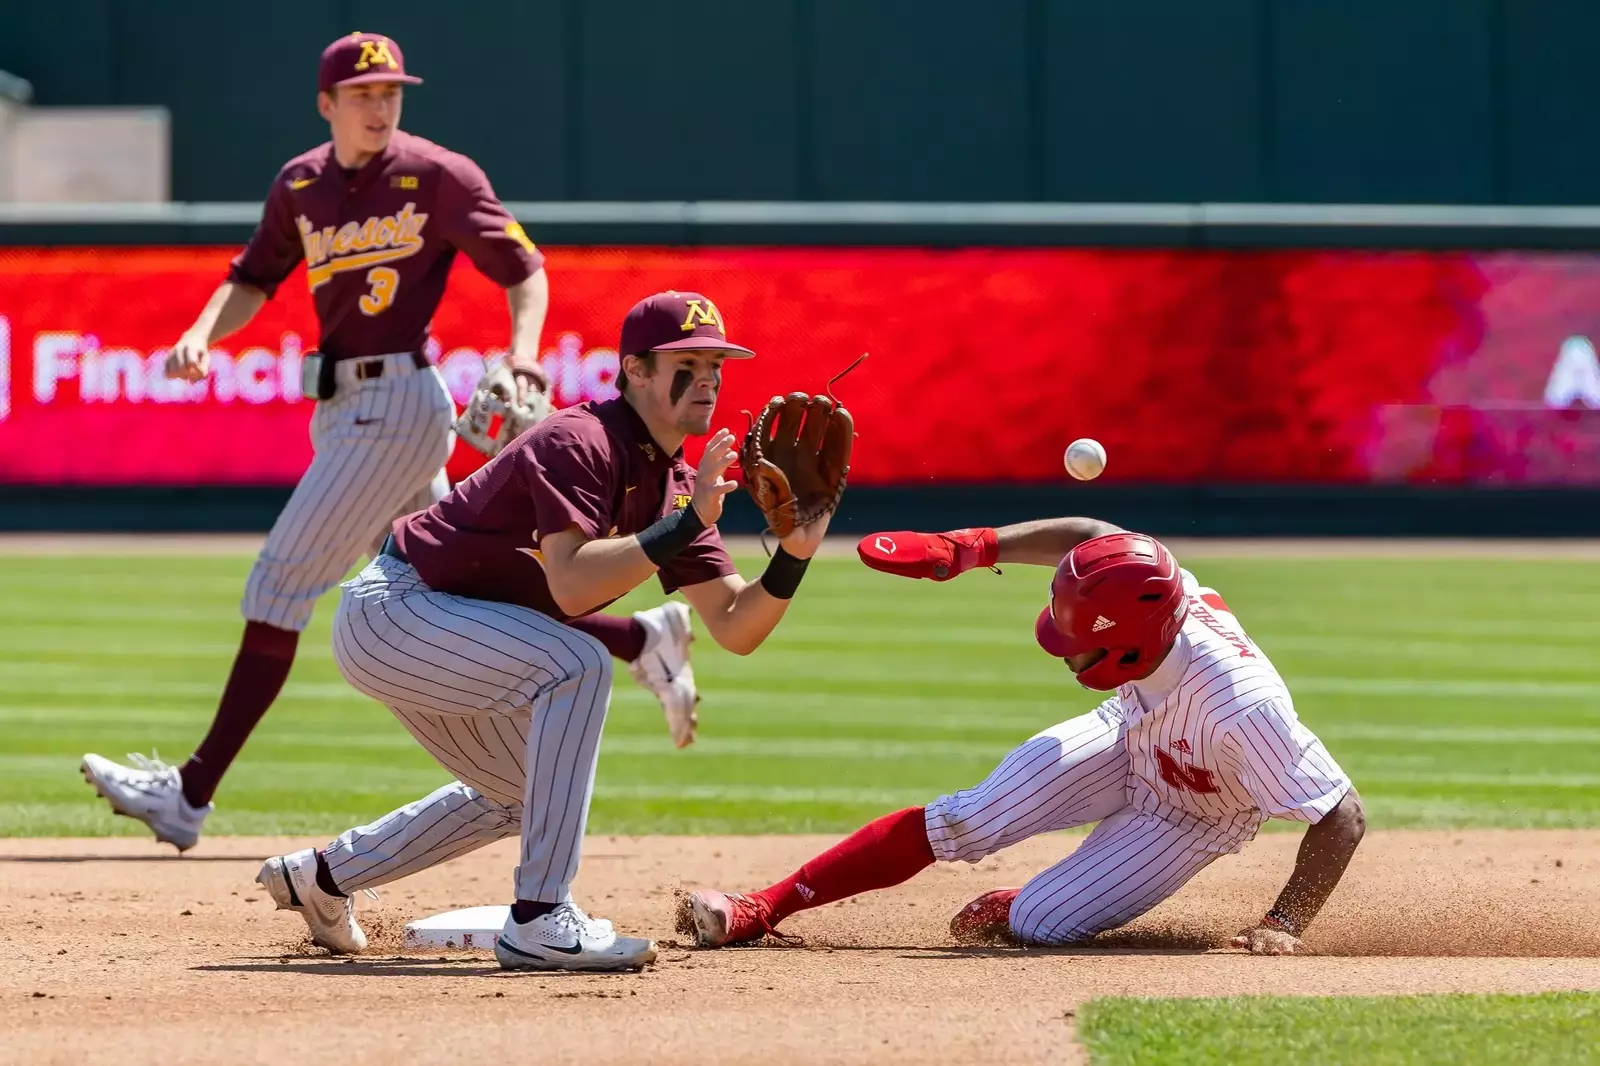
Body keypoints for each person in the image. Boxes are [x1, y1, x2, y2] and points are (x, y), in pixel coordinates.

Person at [80, 32, 697, 852]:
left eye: (392, 92)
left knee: (279, 586)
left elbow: (524, 270)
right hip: (341, 408)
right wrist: (201, 332)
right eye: (363, 93)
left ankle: (190, 794)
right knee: (457, 588)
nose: (380, 106)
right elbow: (255, 277)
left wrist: (520, 354)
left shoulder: (436, 175)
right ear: (326, 103)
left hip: (398, 403)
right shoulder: (300, 182)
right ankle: (641, 637)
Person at [254, 290, 840, 972]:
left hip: (442, 628)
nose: (708, 376)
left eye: (717, 362)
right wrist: (685, 523)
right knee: (580, 665)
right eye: (687, 361)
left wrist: (797, 550)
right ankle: (538, 917)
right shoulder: (582, 440)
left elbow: (737, 627)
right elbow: (570, 584)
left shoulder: (677, 484)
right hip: (394, 611)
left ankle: (322, 878)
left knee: (524, 795)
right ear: (636, 371)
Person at [681, 521, 1366, 956]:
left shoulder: (1242, 709)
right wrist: (971, 548)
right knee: (968, 817)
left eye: (1076, 644)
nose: (1062, 651)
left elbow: (1342, 813)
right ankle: (761, 907)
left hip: (1196, 807)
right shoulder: (1152, 581)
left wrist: (1285, 923)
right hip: (1128, 731)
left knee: (1043, 923)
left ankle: (1029, 902)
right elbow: (1089, 535)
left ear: (1128, 648)